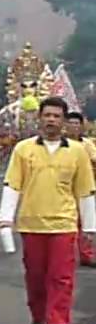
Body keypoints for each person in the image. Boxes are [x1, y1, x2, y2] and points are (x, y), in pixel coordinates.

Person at [0, 97, 96, 324]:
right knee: (36, 276)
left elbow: (85, 191)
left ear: (63, 121)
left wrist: (89, 228)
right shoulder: (23, 149)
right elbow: (12, 185)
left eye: (56, 116)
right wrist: (5, 219)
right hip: (31, 224)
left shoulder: (77, 152)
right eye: (47, 115)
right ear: (39, 118)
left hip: (63, 224)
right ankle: (39, 315)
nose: (51, 120)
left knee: (62, 277)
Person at [65, 111, 96, 267]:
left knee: (86, 222)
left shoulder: (87, 144)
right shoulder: (60, 144)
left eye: (77, 123)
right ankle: (66, 255)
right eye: (71, 123)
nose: (74, 126)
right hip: (64, 189)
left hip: (84, 188)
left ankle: (87, 255)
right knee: (67, 224)